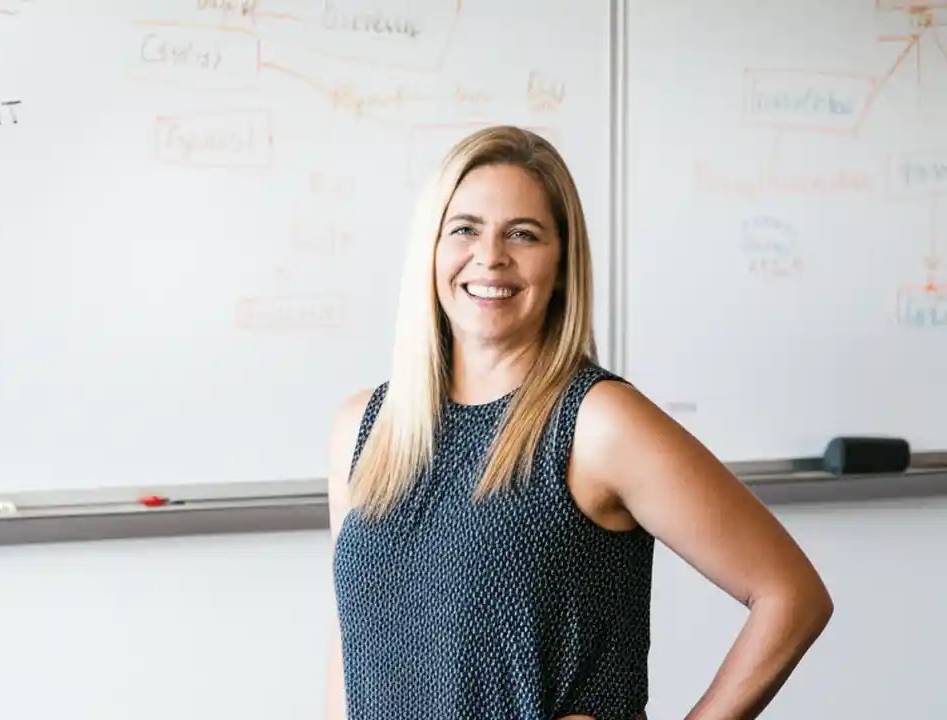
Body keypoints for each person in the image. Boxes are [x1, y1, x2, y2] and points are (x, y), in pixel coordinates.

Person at [323, 125, 833, 719]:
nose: (490, 257)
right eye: (464, 229)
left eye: (523, 234)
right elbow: (351, 644)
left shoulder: (597, 422)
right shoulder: (363, 427)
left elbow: (791, 596)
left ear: (562, 265)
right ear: (431, 250)